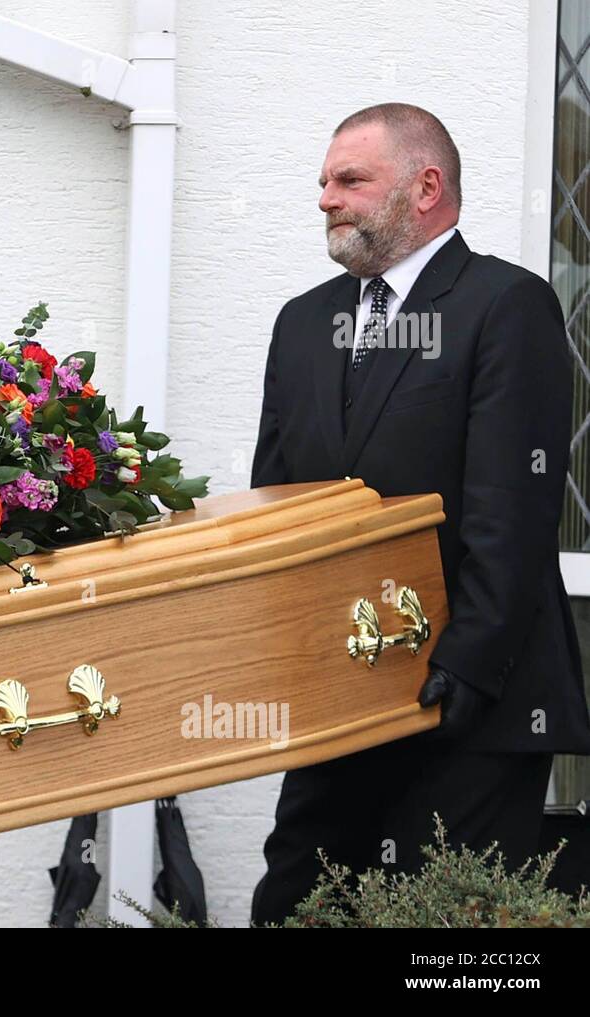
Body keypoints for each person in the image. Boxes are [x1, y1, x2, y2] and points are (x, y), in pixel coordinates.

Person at [249, 102, 590, 925]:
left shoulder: (507, 304)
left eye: (350, 179)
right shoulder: (302, 323)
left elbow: (513, 511)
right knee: (296, 905)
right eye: (325, 181)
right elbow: (276, 505)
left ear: (426, 187)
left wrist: (460, 674)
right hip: (340, 703)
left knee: (444, 942)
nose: (326, 197)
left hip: (471, 706)